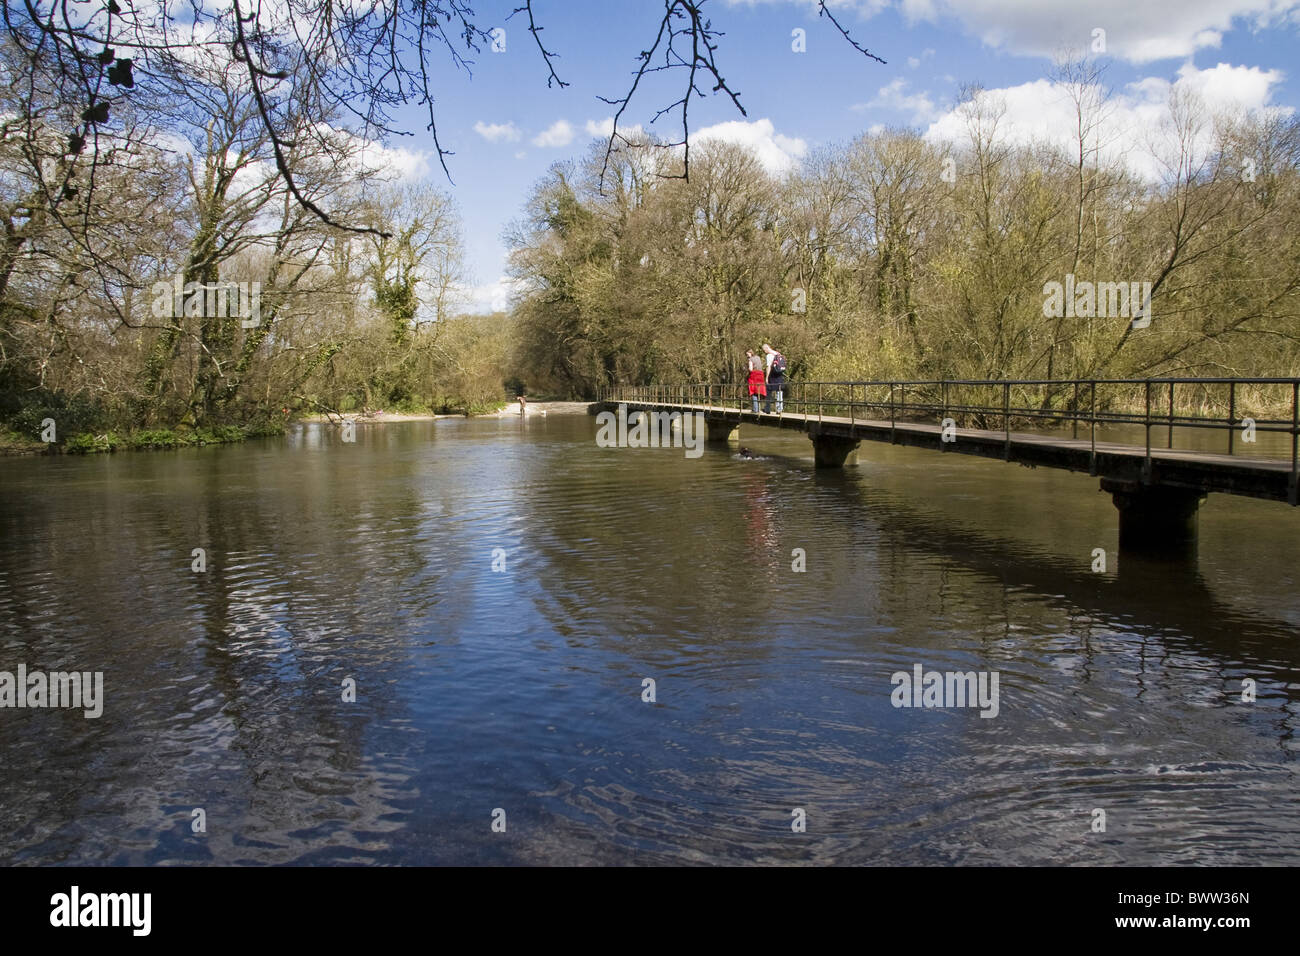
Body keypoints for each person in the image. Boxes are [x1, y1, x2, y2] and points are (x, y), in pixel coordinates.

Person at [762, 343, 787, 414]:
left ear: (767, 348)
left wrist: (766, 377)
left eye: (764, 350)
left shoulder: (769, 355)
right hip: (779, 375)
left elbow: (768, 367)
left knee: (769, 391)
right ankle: (779, 409)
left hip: (772, 375)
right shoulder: (777, 353)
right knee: (779, 391)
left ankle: (767, 408)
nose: (764, 352)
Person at [745, 349, 766, 413]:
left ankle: (755, 409)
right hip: (760, 375)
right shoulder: (758, 357)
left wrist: (747, 368)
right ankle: (758, 408)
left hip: (754, 376)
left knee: (753, 391)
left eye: (747, 354)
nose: (747, 355)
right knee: (759, 392)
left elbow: (751, 369)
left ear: (750, 353)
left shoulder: (750, 359)